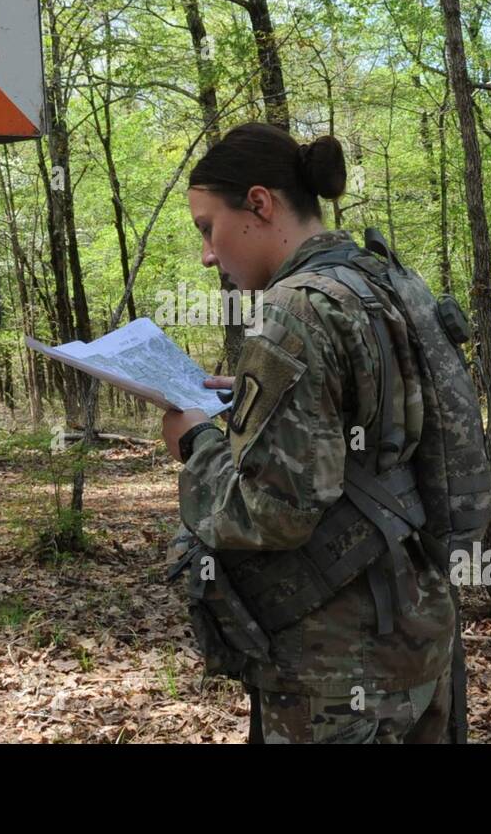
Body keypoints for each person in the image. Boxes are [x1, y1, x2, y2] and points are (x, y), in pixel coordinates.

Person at [161, 121, 461, 744]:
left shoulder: (293, 310)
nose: (208, 254)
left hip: (336, 656)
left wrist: (195, 443)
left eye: (207, 228)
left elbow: (273, 513)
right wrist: (250, 402)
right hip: (420, 625)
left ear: (260, 203)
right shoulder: (383, 280)